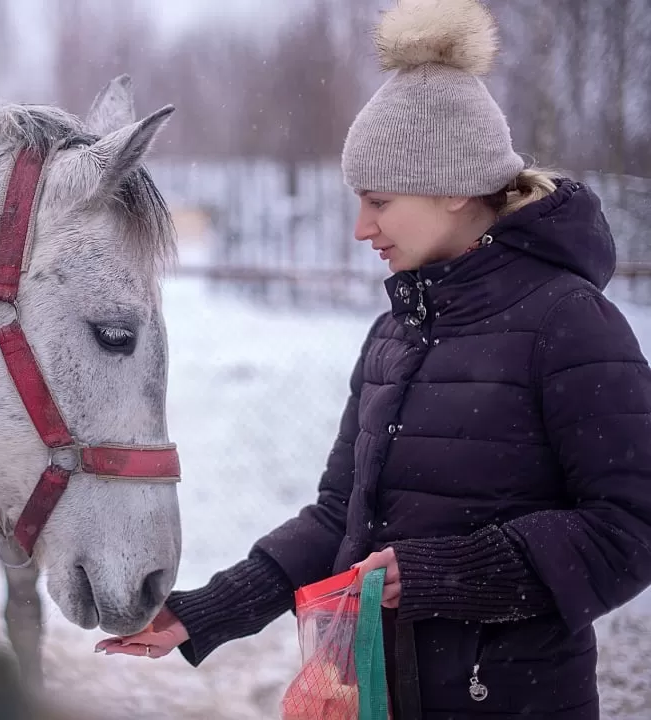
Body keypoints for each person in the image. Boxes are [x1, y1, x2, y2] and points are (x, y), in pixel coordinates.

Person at [95, 1, 651, 718]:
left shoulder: (570, 324)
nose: (361, 228)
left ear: (453, 188)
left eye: (379, 201)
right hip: (379, 697)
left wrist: (444, 574)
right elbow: (338, 517)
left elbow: (629, 527)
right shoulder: (398, 329)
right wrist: (204, 612)